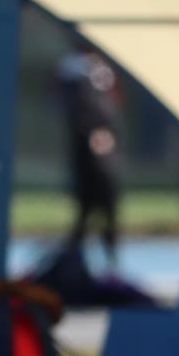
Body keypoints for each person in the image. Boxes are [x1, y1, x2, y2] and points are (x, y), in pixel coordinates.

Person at [57, 39, 123, 271]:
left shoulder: (102, 69)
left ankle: (112, 265)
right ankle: (75, 265)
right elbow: (79, 111)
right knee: (85, 210)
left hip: (105, 152)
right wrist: (92, 133)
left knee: (109, 208)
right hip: (87, 152)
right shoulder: (74, 71)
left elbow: (112, 109)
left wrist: (107, 134)